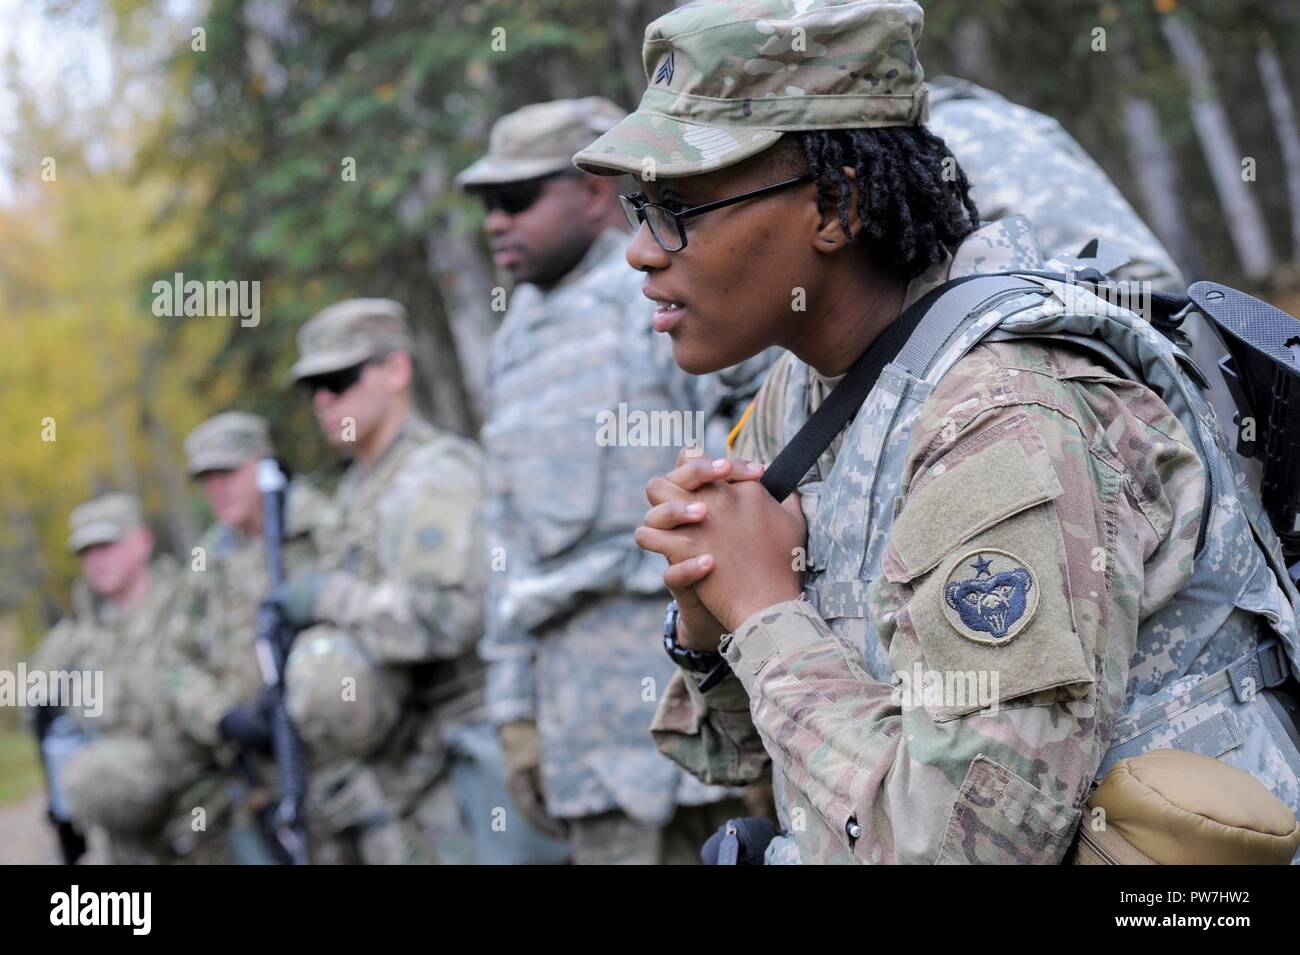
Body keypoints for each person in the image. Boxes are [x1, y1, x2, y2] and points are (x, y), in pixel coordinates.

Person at [572, 0, 1300, 863]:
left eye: (680, 208)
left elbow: (962, 845)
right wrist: (708, 610)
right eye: (638, 206)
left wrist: (762, 610)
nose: (642, 252)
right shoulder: (800, 393)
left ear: (836, 205)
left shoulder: (1007, 418)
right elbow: (726, 753)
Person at [456, 97, 770, 862]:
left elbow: (755, 475)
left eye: (517, 199)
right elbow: (508, 544)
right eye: (487, 206)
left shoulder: (667, 295)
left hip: (700, 731)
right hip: (583, 750)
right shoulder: (510, 345)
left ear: (594, 193)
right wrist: (514, 713)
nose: (496, 222)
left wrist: (765, 694)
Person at [280, 297, 556, 864]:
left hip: (466, 762)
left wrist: (331, 599)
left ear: (396, 370)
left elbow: (451, 616)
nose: (325, 401)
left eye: (339, 379)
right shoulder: (359, 489)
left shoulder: (434, 477)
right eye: (314, 389)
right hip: (406, 777)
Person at [163, 411, 322, 863]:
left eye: (227, 473)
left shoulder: (316, 525)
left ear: (263, 464)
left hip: (337, 757)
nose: (217, 489)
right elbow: (173, 662)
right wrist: (224, 717)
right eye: (206, 478)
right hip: (256, 774)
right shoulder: (206, 561)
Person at [28, 493, 201, 863]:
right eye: (87, 552)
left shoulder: (189, 604)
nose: (97, 560)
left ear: (142, 542)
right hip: (129, 836)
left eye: (107, 545)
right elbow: (29, 701)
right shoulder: (76, 639)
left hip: (204, 810)